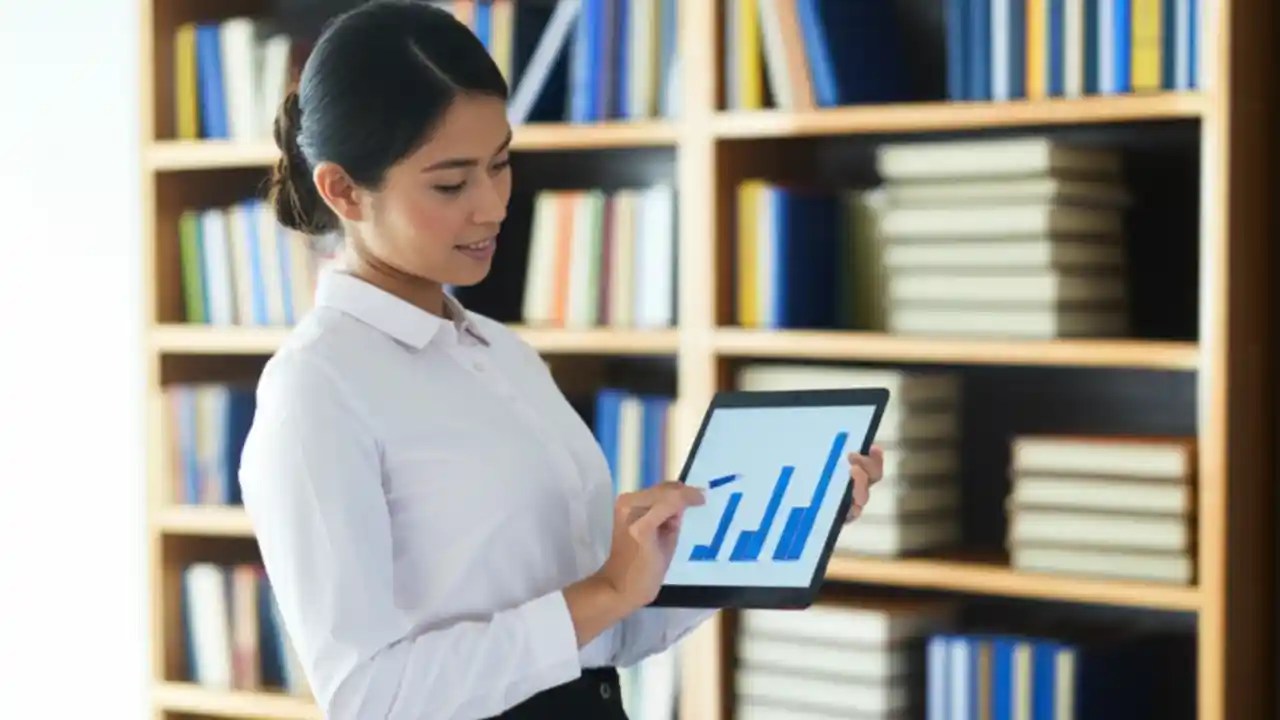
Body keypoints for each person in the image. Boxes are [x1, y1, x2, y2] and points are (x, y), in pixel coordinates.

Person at [237, 2, 885, 719]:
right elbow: (368, 697)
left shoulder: (502, 356)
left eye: (501, 163)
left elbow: (604, 632)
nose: (491, 206)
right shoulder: (317, 390)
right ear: (342, 190)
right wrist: (604, 593)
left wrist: (771, 528)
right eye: (451, 183)